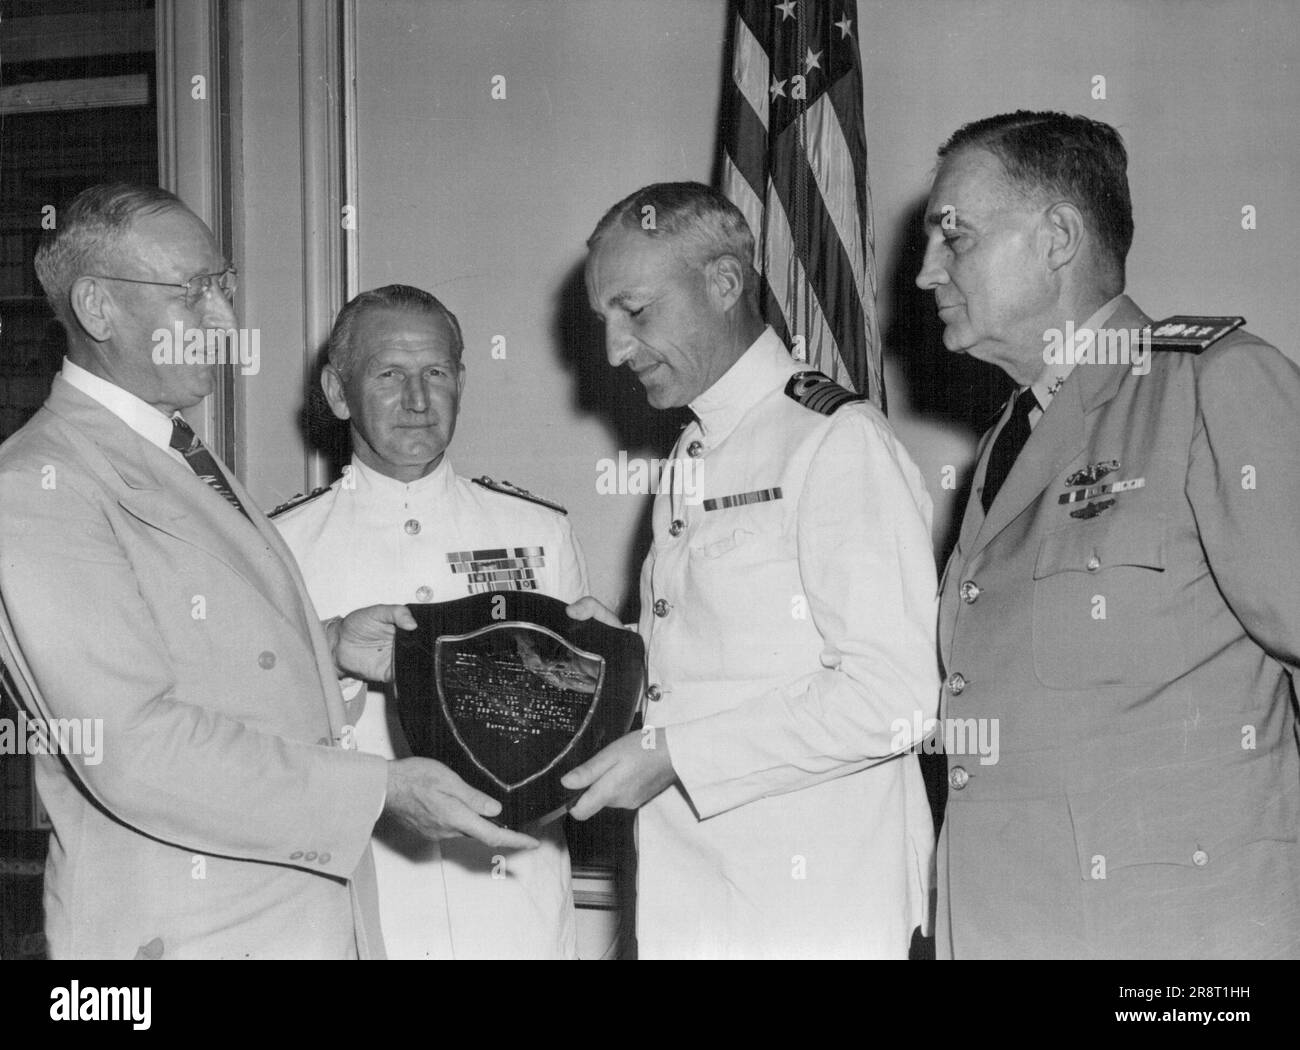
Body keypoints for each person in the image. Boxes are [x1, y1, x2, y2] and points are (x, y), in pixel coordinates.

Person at [0, 184, 535, 960]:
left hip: (286, 917)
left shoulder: (173, 446)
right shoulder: (40, 485)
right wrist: (376, 790)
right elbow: (133, 747)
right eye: (194, 294)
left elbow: (193, 650)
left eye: (224, 287)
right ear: (97, 308)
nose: (224, 321)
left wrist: (329, 644)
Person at [915, 111, 1300, 959]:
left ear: (1056, 237)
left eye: (955, 237)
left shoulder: (1214, 387)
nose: (923, 271)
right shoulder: (1008, 443)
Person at [564, 182, 939, 959]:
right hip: (696, 897)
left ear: (725, 283)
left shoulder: (833, 441)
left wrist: (674, 755)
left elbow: (894, 696)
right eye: (605, 320)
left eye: (635, 312)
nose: (614, 350)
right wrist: (623, 652)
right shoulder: (694, 449)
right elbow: (734, 659)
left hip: (815, 909)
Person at [273, 284, 590, 959]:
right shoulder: (280, 548)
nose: (417, 400)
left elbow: (576, 736)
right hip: (357, 900)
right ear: (337, 391)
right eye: (389, 374)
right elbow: (256, 739)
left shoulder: (537, 532)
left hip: (509, 905)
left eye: (436, 373)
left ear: (461, 382)